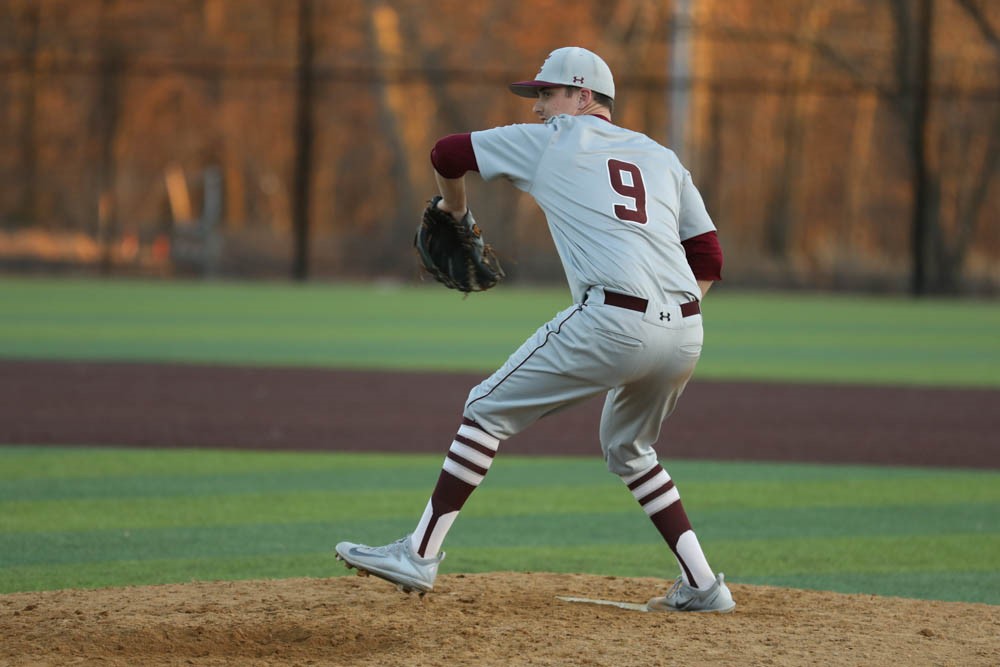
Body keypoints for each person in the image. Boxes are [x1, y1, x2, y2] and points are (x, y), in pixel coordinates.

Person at [336, 46, 733, 613]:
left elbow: (446, 153)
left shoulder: (554, 140)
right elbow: (709, 256)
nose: (538, 106)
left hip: (614, 318)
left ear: (583, 96)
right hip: (686, 329)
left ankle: (418, 555)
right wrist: (668, 313)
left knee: (484, 409)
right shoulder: (662, 157)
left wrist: (454, 212)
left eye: (547, 93)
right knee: (630, 449)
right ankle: (703, 584)